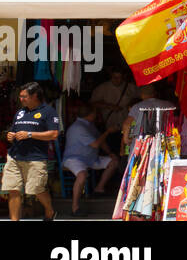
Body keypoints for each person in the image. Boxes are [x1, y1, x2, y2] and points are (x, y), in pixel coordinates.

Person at [3, 82, 61, 221]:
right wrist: (10, 135)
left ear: (35, 96)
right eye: (20, 96)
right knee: (13, 189)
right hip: (14, 156)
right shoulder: (20, 112)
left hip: (35, 158)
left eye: (24, 96)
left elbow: (54, 134)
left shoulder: (48, 112)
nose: (21, 99)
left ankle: (49, 210)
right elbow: (13, 130)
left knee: (36, 189)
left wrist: (30, 134)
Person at [62, 101, 121, 217]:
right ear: (90, 115)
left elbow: (100, 140)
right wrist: (108, 132)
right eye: (95, 113)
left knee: (114, 162)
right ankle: (75, 208)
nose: (97, 114)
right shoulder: (78, 127)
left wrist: (110, 153)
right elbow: (95, 144)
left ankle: (99, 188)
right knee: (82, 175)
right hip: (75, 159)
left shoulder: (89, 125)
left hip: (91, 158)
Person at [90, 69, 138, 148]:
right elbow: (93, 103)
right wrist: (109, 106)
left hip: (126, 125)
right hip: (109, 125)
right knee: (111, 147)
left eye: (119, 77)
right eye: (114, 77)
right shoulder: (102, 88)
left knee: (126, 148)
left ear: (123, 77)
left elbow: (140, 100)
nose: (116, 80)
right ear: (110, 77)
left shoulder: (131, 87)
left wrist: (131, 105)